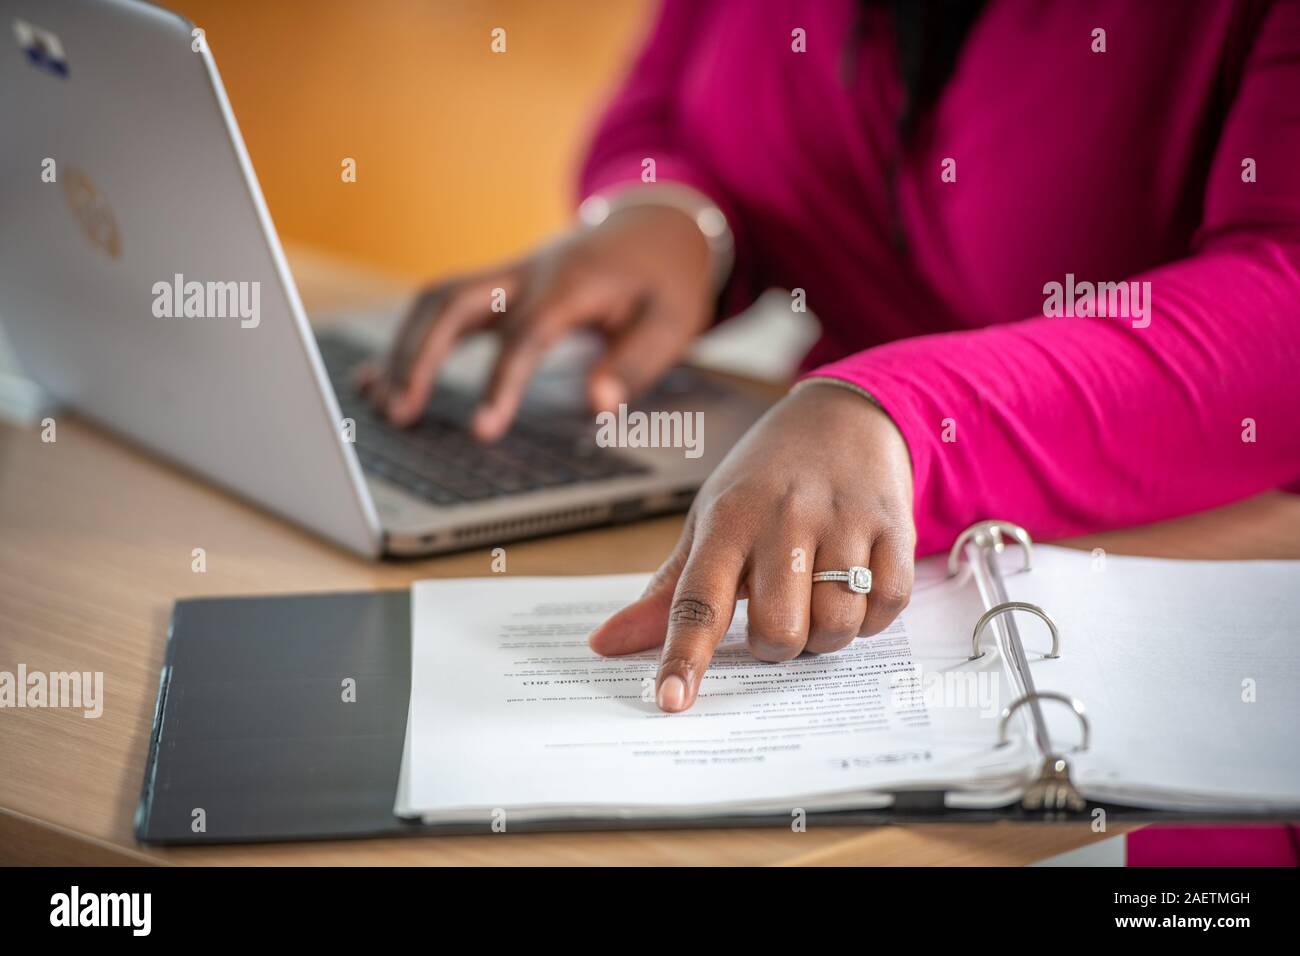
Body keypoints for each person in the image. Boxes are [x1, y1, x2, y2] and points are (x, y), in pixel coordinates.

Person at [365, 0, 1300, 718]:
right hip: (799, 497)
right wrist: (670, 218)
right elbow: (668, 108)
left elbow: (1282, 300)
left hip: (1190, 623)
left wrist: (899, 413)